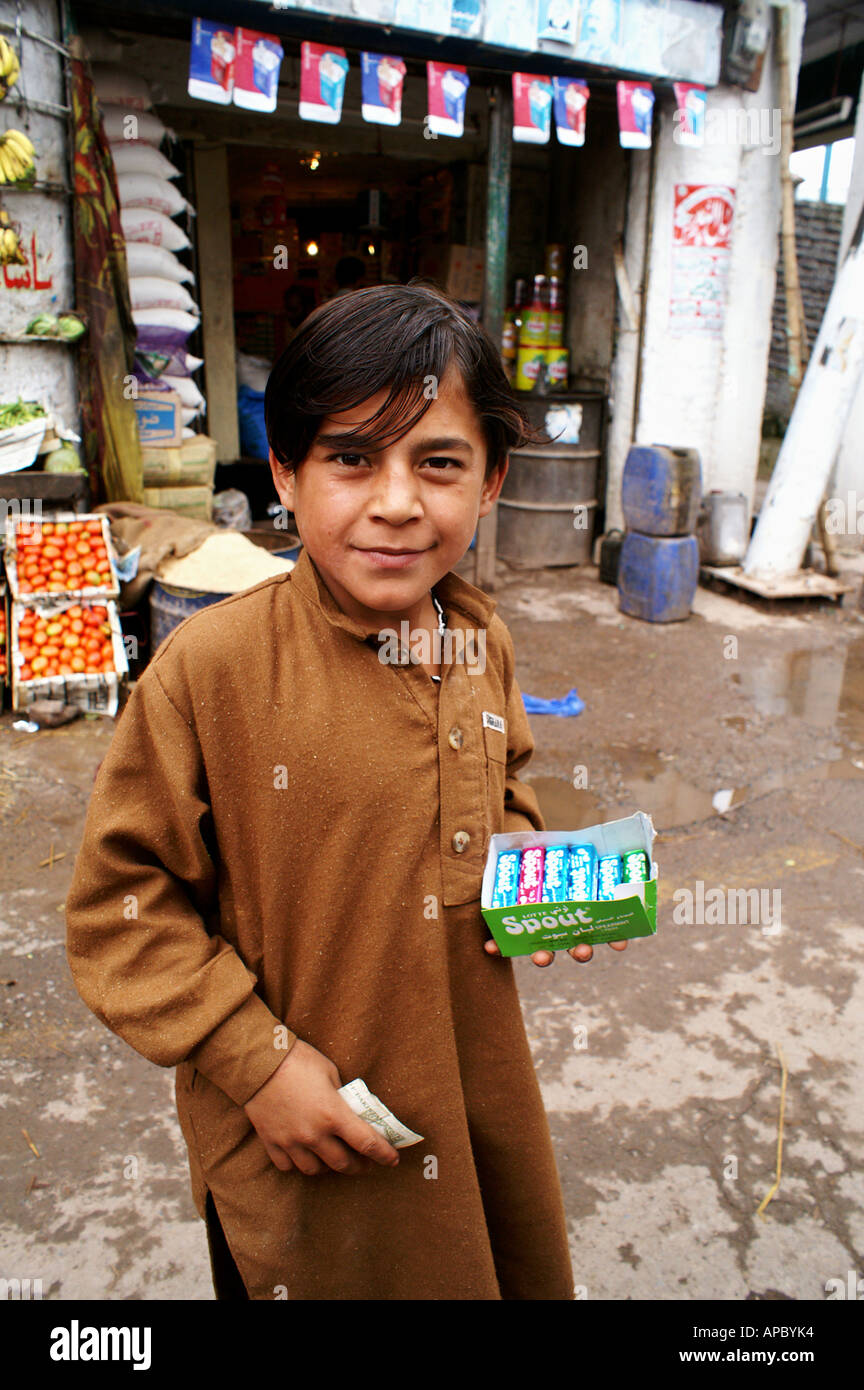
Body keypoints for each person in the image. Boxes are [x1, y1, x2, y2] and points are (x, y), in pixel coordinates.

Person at [64, 283, 626, 1301]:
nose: (399, 500)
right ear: (285, 470)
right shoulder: (211, 671)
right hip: (302, 1142)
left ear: (493, 480)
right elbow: (121, 909)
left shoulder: (477, 637)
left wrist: (519, 865)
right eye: (351, 457)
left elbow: (500, 786)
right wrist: (256, 1061)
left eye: (440, 462)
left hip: (471, 1103)